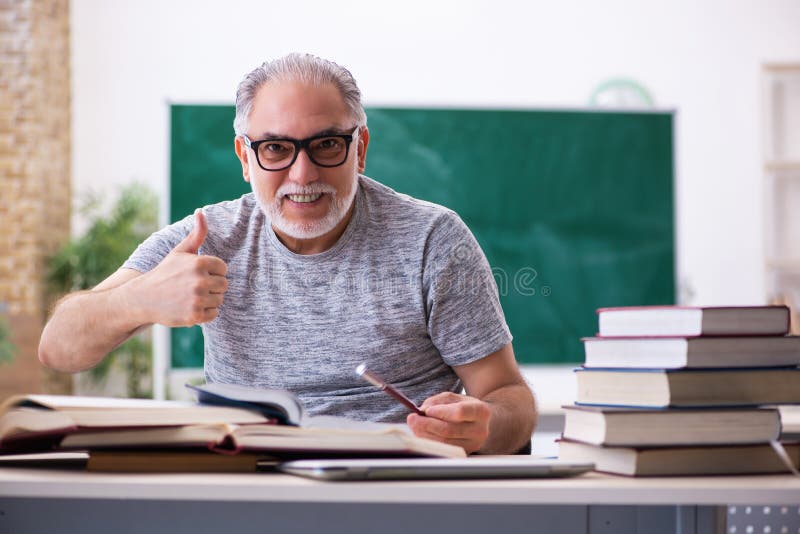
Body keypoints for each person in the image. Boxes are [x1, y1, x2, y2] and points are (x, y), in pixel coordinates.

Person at [39, 53, 536, 454]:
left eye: (325, 145)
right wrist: (139, 300)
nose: (302, 175)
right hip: (247, 491)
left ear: (360, 148)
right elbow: (58, 348)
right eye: (276, 148)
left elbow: (509, 396)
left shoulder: (433, 239)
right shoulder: (205, 236)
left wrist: (483, 428)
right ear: (245, 157)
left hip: (396, 492)